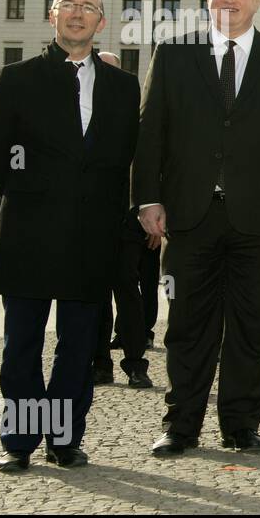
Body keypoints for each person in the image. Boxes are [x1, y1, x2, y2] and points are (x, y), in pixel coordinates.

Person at [136, 0, 260, 456]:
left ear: (258, 1)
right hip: (188, 217)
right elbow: (150, 132)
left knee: (252, 327)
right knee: (187, 326)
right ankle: (180, 426)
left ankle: (241, 425)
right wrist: (148, 198)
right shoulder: (174, 54)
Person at [0, 0, 139, 471]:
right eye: (67, 6)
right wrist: (36, 197)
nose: (77, 14)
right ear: (52, 17)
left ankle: (64, 438)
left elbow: (124, 161)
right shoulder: (17, 78)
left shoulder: (123, 87)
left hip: (93, 238)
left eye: (88, 7)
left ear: (101, 23)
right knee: (22, 344)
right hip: (29, 233)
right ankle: (21, 440)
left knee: (79, 346)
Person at [92, 51, 158, 390]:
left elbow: (152, 168)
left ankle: (135, 363)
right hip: (89, 224)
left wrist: (153, 215)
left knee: (127, 293)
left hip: (129, 224)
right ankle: (99, 363)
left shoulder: (137, 121)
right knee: (93, 297)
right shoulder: (83, 115)